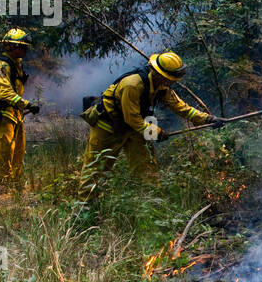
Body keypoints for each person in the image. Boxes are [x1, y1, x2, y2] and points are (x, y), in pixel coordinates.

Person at [77, 51, 220, 199]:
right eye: (172, 79)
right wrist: (156, 132)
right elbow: (132, 119)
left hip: (135, 128)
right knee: (96, 169)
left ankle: (149, 202)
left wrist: (208, 119)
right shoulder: (132, 85)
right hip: (108, 127)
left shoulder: (162, 87)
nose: (174, 82)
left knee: (146, 169)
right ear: (161, 75)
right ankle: (85, 209)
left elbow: (182, 108)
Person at [0, 28, 40, 201]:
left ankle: (14, 190)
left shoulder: (16, 63)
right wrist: (27, 104)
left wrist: (22, 108)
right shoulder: (1, 66)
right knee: (4, 155)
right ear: (10, 46)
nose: (25, 51)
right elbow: (4, 93)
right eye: (22, 47)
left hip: (16, 115)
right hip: (3, 115)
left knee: (18, 153)